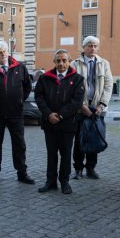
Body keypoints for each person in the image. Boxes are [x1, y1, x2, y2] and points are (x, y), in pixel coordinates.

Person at [0, 41, 35, 184]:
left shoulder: (20, 67)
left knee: (19, 144)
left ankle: (22, 172)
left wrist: (18, 101)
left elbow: (27, 87)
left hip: (15, 113)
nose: (3, 54)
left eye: (5, 51)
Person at [34, 49, 85, 194]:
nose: (61, 63)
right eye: (58, 61)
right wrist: (49, 114)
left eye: (64, 60)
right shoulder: (45, 78)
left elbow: (76, 101)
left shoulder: (78, 79)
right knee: (51, 153)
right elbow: (39, 97)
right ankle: (50, 181)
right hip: (49, 123)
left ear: (69, 61)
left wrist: (61, 115)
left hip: (67, 124)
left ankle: (64, 182)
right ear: (54, 62)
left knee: (66, 154)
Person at [70, 36, 113, 180]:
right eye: (89, 45)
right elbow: (71, 88)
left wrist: (102, 105)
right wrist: (81, 106)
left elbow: (108, 86)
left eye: (95, 46)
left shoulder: (104, 63)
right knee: (79, 140)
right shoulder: (74, 64)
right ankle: (77, 169)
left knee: (94, 138)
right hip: (80, 108)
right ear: (84, 47)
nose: (92, 48)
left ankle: (90, 168)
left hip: (98, 108)